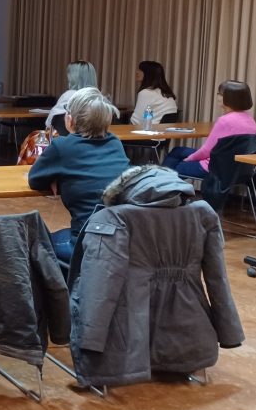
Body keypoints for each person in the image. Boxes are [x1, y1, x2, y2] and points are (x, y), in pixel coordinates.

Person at [28, 88, 130, 263]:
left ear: (70, 120)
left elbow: (35, 180)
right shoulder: (115, 143)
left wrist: (57, 176)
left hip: (85, 245)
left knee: (32, 241)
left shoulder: (62, 146)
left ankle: (54, 289)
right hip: (121, 242)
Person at [163, 79, 256, 179]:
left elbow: (206, 151)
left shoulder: (225, 121)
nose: (217, 96)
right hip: (240, 169)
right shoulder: (250, 119)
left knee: (175, 167)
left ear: (228, 98)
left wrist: (189, 159)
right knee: (178, 151)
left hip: (216, 167)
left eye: (219, 94)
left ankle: (160, 186)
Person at [47, 60, 98, 129]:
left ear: (73, 77)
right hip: (93, 138)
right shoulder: (98, 98)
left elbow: (50, 123)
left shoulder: (69, 95)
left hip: (66, 138)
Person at [131, 60, 178, 125]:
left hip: (151, 131)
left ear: (148, 73)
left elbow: (136, 121)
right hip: (164, 132)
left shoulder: (146, 93)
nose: (136, 72)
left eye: (140, 70)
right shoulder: (165, 93)